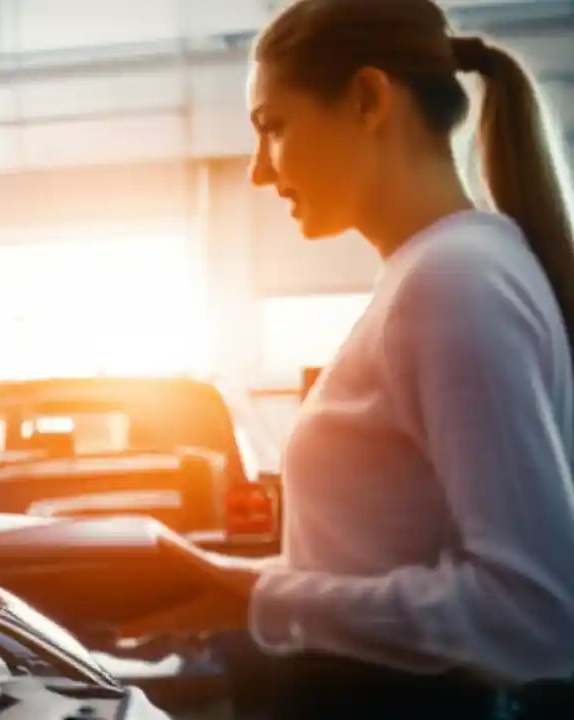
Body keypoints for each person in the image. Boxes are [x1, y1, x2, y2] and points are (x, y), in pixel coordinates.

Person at [133, 0, 574, 716]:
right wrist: (232, 595)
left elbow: (531, 612)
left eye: (272, 128)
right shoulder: (438, 270)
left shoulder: (454, 280)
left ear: (368, 99)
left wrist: (259, 597)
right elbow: (373, 563)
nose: (256, 172)